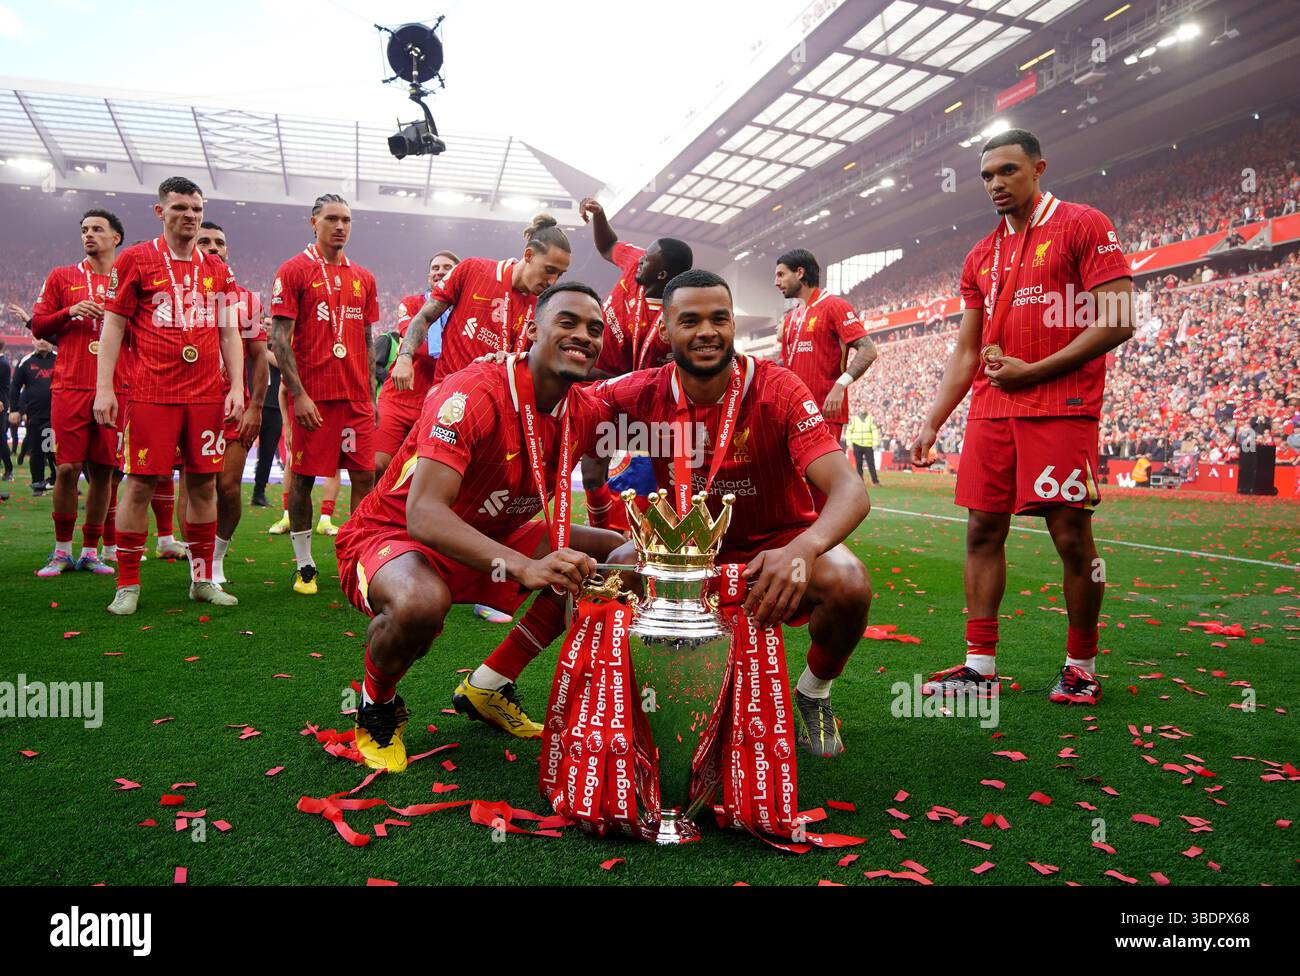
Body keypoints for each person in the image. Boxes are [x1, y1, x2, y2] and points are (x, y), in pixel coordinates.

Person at [469, 270, 875, 757]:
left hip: (776, 543)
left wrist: (803, 549)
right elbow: (556, 395)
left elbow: (850, 489)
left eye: (719, 318)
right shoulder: (637, 392)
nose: (707, 331)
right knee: (602, 569)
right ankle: (492, 680)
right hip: (679, 550)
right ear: (665, 331)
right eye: (690, 320)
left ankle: (813, 695)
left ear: (732, 326)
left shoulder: (779, 389)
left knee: (849, 585)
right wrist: (505, 366)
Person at [334, 282, 624, 771]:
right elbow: (423, 514)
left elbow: (656, 388)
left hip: (492, 536)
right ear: (531, 330)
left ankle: (489, 685)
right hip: (394, 535)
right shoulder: (474, 391)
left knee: (614, 557)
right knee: (420, 604)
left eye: (594, 329)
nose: (584, 336)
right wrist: (523, 567)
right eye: (568, 323)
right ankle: (377, 705)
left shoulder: (587, 409)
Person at [910, 128, 1134, 705]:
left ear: (1038, 167)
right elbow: (967, 349)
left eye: (1008, 171)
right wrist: (934, 420)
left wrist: (1032, 372)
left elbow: (1117, 319)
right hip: (992, 409)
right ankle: (979, 667)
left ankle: (1081, 665)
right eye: (987, 176)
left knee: (1070, 536)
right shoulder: (980, 254)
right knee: (982, 529)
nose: (996, 184)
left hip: (1062, 405)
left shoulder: (1084, 225)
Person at [93, 175, 246, 615]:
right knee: (139, 485)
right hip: (151, 394)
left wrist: (235, 385)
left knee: (203, 487)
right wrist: (105, 388)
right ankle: (127, 584)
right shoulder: (137, 259)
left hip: (205, 397)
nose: (190, 216)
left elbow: (229, 331)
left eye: (196, 209)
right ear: (160, 212)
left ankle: (201, 580)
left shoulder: (217, 268)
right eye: (180, 208)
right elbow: (114, 326)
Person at [269, 194, 379, 595]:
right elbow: (278, 338)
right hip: (314, 397)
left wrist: (370, 395)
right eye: (331, 218)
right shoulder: (294, 270)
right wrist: (298, 394)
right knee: (302, 479)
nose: (340, 226)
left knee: (365, 476)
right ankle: (305, 565)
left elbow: (366, 339)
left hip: (355, 399)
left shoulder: (363, 277)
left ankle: (358, 559)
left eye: (346, 219)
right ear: (312, 222)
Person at [574, 197, 693, 531]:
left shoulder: (674, 319)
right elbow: (608, 244)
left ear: (663, 273)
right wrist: (599, 216)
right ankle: (601, 532)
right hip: (596, 388)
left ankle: (658, 538)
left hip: (640, 397)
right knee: (591, 468)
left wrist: (593, 373)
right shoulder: (635, 262)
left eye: (648, 262)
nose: (640, 263)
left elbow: (651, 378)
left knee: (658, 474)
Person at [25, 209, 129, 575]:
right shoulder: (62, 276)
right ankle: (60, 550)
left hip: (116, 388)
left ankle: (90, 551)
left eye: (97, 229)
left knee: (103, 471)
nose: (89, 235)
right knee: (67, 468)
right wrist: (69, 311)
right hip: (69, 383)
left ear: (115, 237)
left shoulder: (129, 276)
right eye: (84, 229)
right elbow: (38, 323)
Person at [389, 213, 571, 392]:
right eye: (549, 270)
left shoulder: (542, 309)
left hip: (497, 405)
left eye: (559, 274)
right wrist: (405, 357)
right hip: (448, 396)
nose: (552, 281)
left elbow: (539, 364)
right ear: (529, 255)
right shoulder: (473, 270)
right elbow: (425, 316)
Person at [194, 221, 269, 585]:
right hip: (189, 404)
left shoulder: (248, 300)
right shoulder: (175, 296)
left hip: (234, 407)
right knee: (195, 487)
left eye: (219, 242)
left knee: (227, 487)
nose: (212, 246)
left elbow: (259, 357)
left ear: (227, 250)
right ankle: (198, 563)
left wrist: (255, 407)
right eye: (204, 240)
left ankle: (217, 558)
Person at [773, 248, 878, 498]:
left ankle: (826, 536)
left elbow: (868, 350)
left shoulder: (835, 306)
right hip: (791, 414)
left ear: (800, 272)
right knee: (793, 488)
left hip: (823, 412)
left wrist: (840, 385)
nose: (776, 282)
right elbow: (787, 364)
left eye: (780, 274)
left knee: (818, 488)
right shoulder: (792, 318)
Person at [372, 250, 458, 476]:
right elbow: (411, 338)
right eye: (435, 268)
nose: (440, 272)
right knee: (375, 465)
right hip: (398, 397)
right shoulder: (411, 303)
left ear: (459, 274)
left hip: (437, 405)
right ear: (429, 275)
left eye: (447, 267)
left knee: (420, 475)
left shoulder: (464, 313)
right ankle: (367, 512)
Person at [9, 338, 56, 495]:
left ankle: (63, 483)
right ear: (33, 341)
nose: (42, 341)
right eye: (39, 338)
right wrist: (14, 410)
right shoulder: (26, 361)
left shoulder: (60, 358)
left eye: (46, 338)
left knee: (56, 452)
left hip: (58, 415)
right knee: (36, 451)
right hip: (35, 415)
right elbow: (15, 386)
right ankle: (38, 484)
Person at [846, 407, 880, 485]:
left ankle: (875, 481)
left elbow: (875, 431)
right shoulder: (854, 419)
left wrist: (875, 443)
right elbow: (849, 431)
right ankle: (860, 481)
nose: (864, 409)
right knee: (859, 464)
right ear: (859, 409)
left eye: (865, 407)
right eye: (862, 407)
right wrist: (849, 443)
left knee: (871, 463)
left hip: (868, 445)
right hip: (857, 444)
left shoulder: (871, 419)